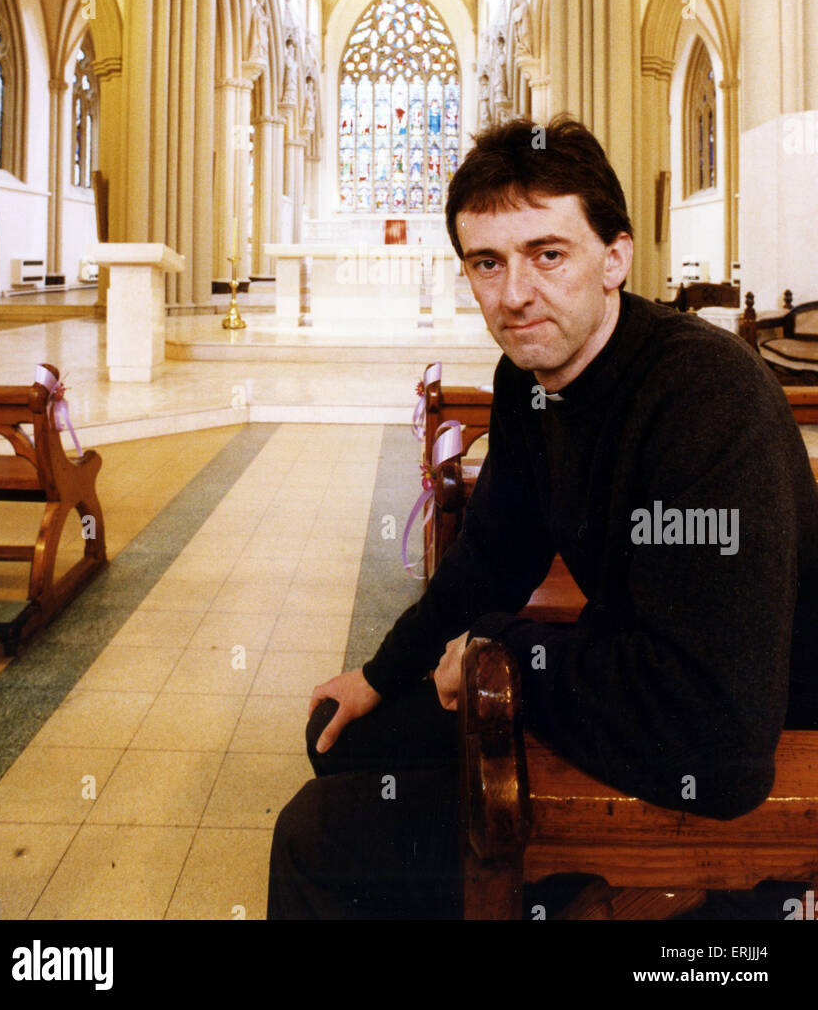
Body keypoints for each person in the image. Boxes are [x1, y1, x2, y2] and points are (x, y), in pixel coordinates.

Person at [267, 115, 818, 920]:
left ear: (615, 258)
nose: (514, 293)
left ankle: (572, 893)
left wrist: (507, 656)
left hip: (737, 733)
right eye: (487, 263)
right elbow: (493, 553)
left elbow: (720, 737)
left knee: (316, 837)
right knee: (344, 737)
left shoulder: (705, 400)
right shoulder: (531, 377)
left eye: (546, 254)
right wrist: (382, 674)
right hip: (629, 670)